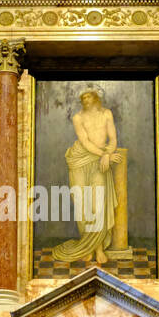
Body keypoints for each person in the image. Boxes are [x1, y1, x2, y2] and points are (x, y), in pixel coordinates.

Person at [52, 90, 121, 264]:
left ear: (96, 98)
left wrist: (107, 154)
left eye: (88, 96)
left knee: (97, 205)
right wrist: (104, 155)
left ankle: (98, 248)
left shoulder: (106, 114)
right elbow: (85, 141)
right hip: (79, 160)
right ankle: (89, 247)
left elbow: (113, 140)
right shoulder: (77, 118)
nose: (85, 100)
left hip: (99, 160)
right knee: (82, 204)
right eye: (83, 98)